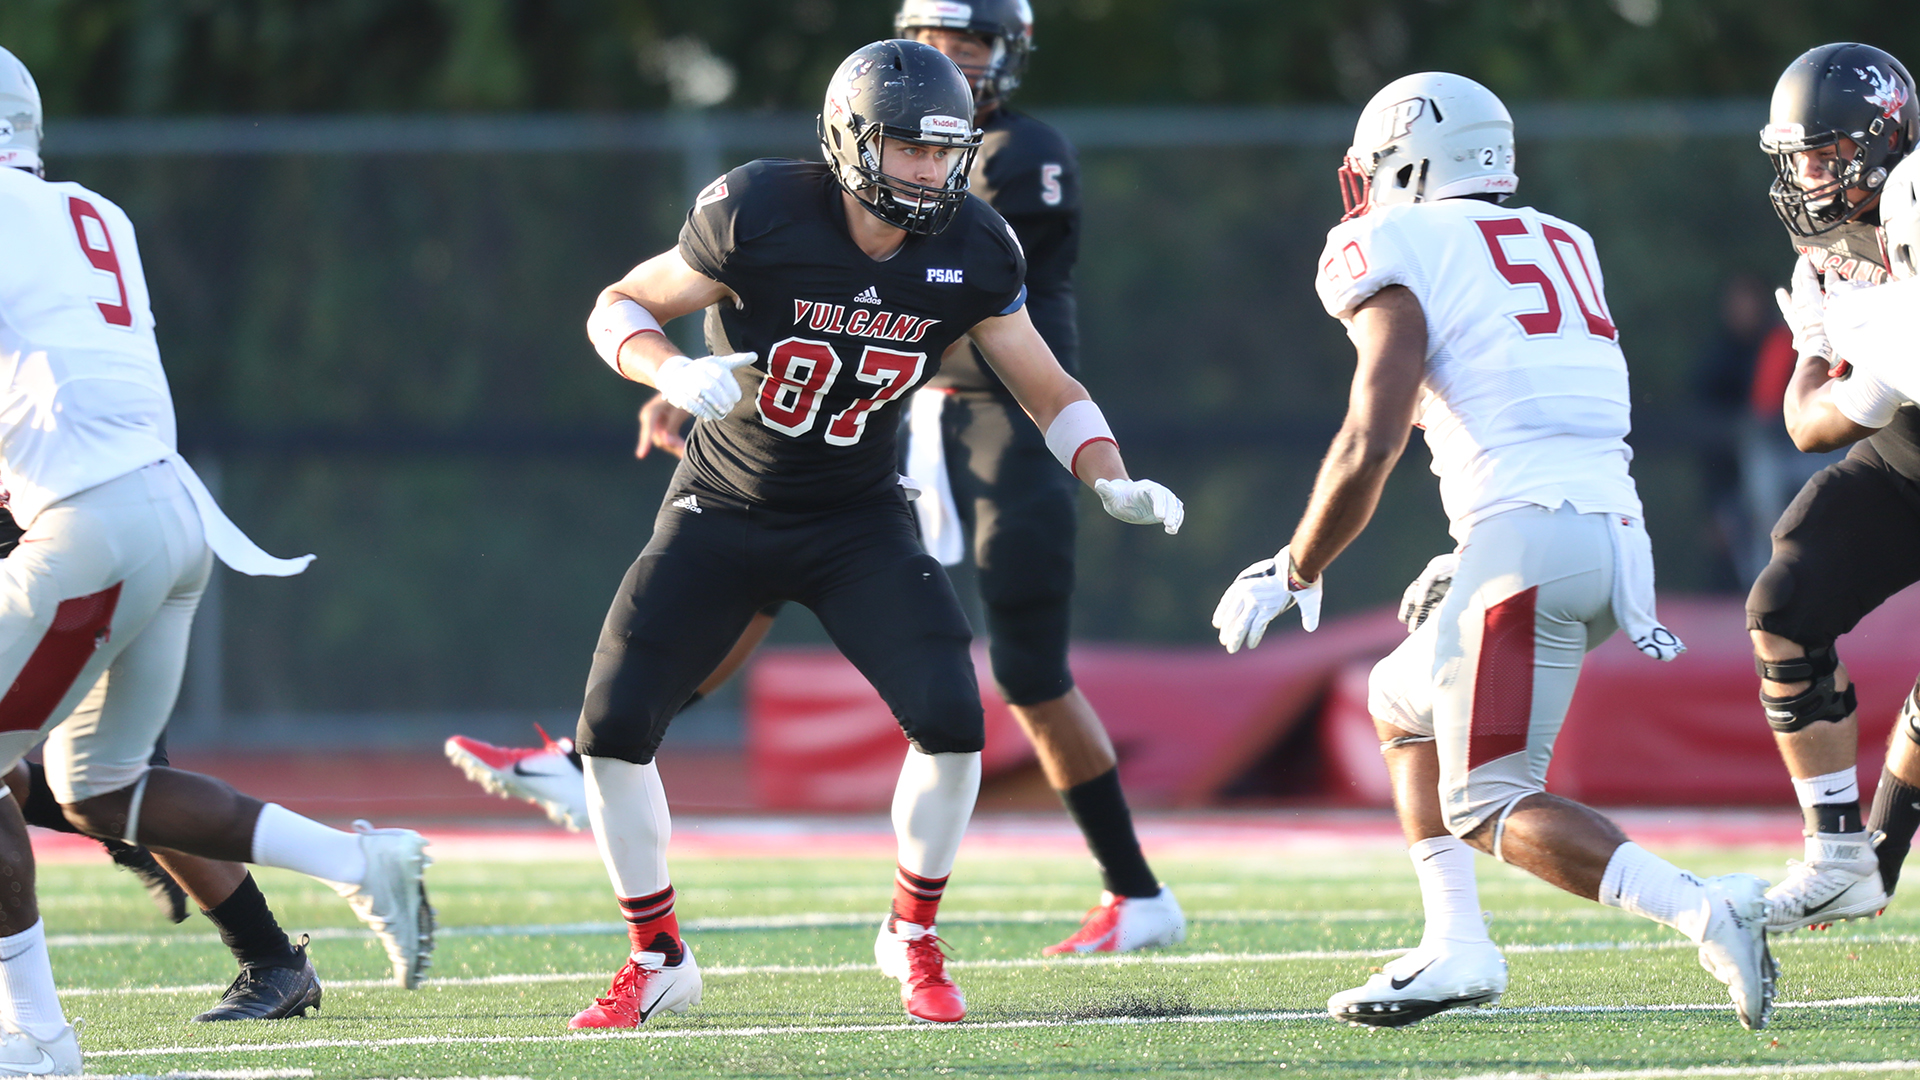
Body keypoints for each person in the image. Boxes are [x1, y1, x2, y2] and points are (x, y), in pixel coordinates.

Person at [450, 0, 1187, 958]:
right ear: (852, 142)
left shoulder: (978, 238)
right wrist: (671, 373)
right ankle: (649, 937)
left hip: (864, 502)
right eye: (909, 149)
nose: (931, 172)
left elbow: (1049, 388)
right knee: (625, 711)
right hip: (736, 492)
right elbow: (621, 304)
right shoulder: (758, 209)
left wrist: (1109, 472)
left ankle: (939, 931)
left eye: (946, 152)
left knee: (972, 704)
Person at [1210, 72, 1776, 1030]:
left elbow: (1372, 440)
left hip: (1532, 544)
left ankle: (1703, 908)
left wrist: (1294, 566)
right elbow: (1538, 404)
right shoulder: (1565, 240)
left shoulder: (1397, 243)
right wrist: (1477, 549)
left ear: (1410, 163)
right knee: (1399, 700)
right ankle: (1456, 944)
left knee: (1489, 803)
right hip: (1609, 537)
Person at [0, 46, 432, 1071]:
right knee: (102, 787)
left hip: (89, 525)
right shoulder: (95, 213)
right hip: (170, 511)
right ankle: (358, 861)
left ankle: (37, 1037)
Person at [1748, 44, 1920, 936]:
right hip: (1906, 455)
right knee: (1785, 604)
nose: (1808, 177)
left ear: (1883, 142)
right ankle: (1842, 856)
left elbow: (1814, 424)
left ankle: (1876, 854)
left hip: (1888, 409)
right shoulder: (1836, 235)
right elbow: (1812, 421)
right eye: (1799, 158)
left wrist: (1817, 352)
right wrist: (1818, 343)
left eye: (1825, 155)